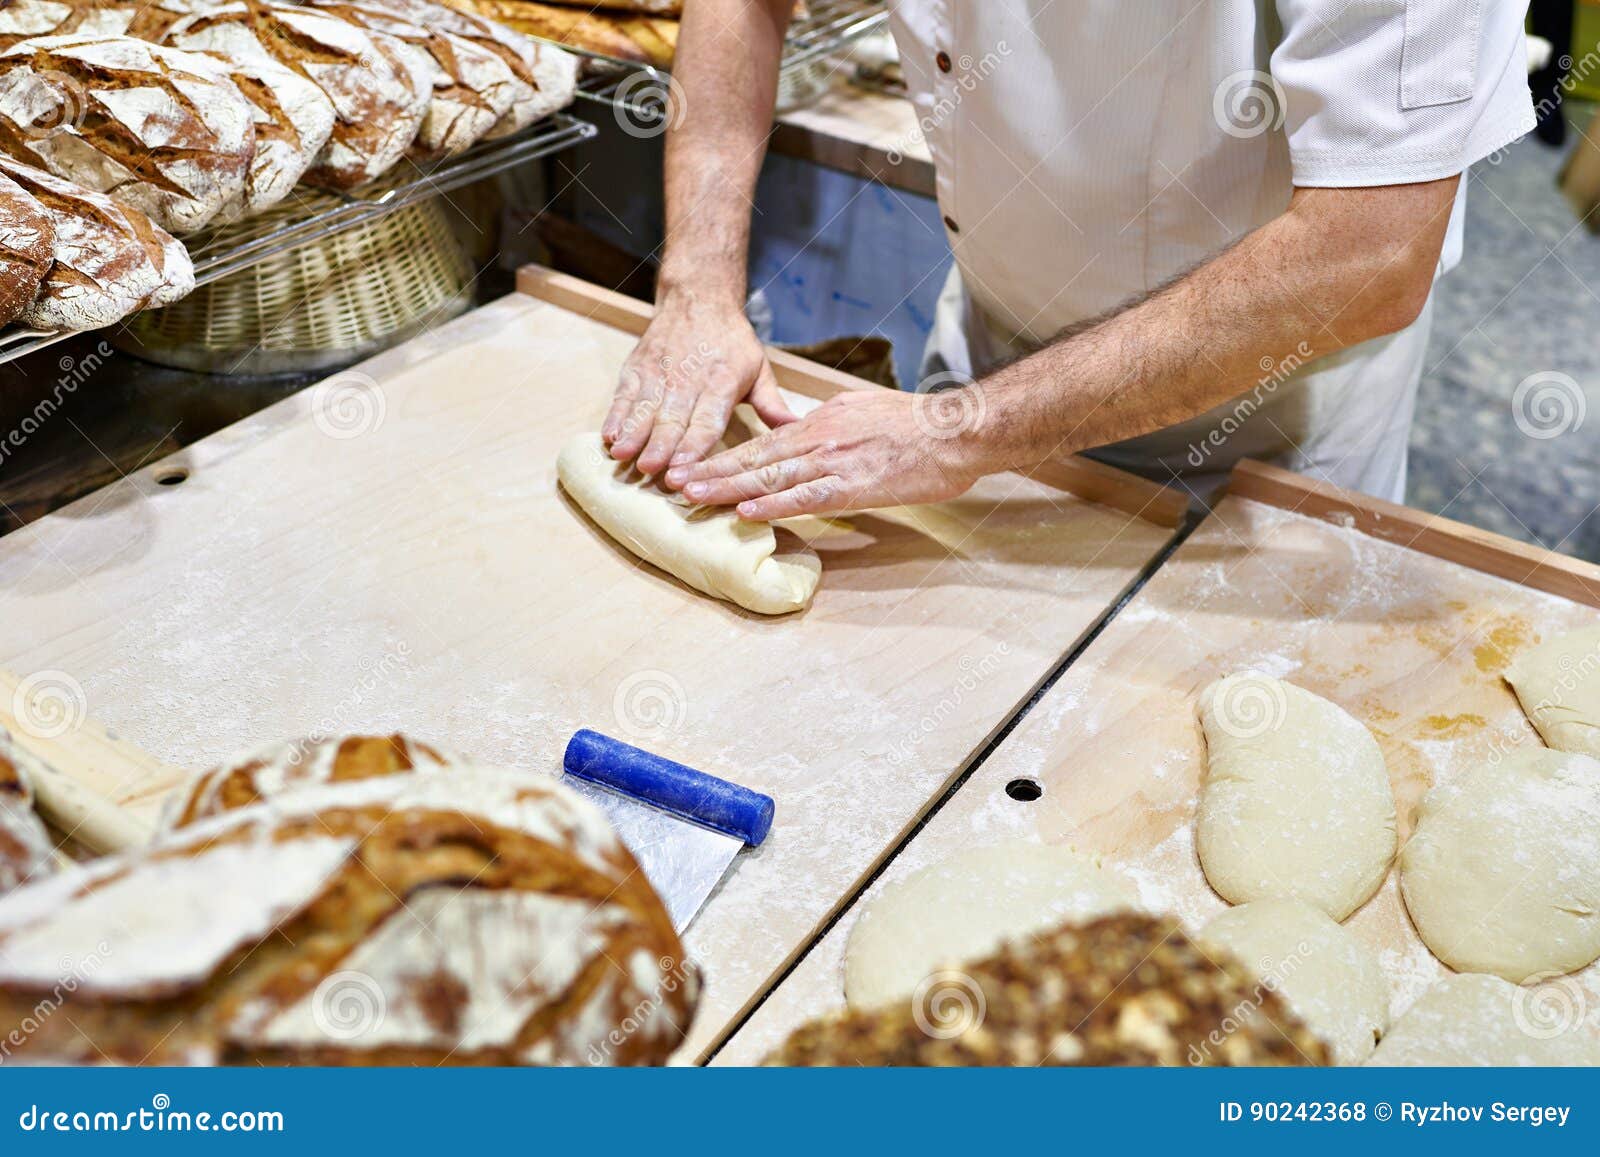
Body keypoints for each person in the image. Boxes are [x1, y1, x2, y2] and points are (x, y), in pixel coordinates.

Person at [603, 1, 1534, 517]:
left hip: (1264, 433)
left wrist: (959, 435)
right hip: (985, 360)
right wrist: (695, 287)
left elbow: (1370, 250)